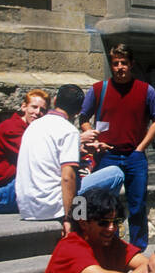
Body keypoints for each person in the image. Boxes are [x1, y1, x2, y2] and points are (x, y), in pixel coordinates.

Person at [80, 44, 155, 249]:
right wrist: (94, 139)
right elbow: (84, 117)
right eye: (116, 63)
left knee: (137, 204)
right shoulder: (99, 89)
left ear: (131, 64)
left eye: (123, 63)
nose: (120, 67)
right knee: (105, 205)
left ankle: (137, 248)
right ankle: (110, 244)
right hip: (107, 155)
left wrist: (141, 147)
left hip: (134, 156)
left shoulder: (146, 90)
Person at [15, 84, 124, 236]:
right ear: (79, 111)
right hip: (53, 207)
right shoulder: (68, 130)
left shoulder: (33, 126)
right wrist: (70, 218)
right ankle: (96, 221)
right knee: (116, 173)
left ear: (54, 100)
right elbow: (68, 177)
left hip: (27, 208)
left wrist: (80, 152)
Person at [0, 89, 49, 213]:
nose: (38, 112)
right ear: (24, 107)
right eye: (34, 107)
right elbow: (38, 156)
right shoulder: (11, 128)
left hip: (8, 188)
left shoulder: (33, 129)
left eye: (42, 110)